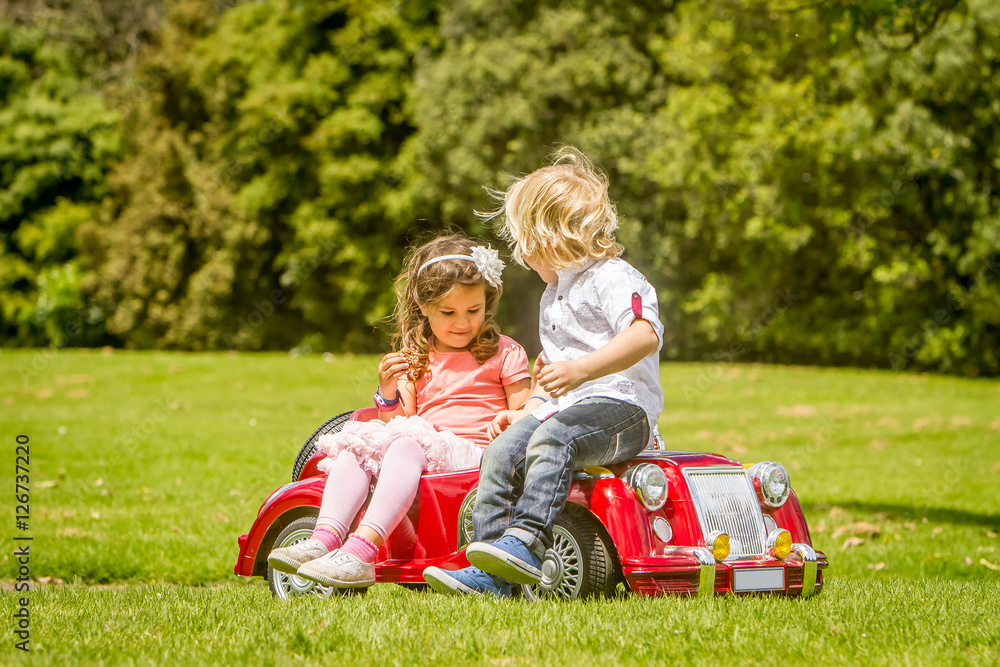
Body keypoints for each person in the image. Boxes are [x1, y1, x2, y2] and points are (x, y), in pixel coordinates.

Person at [423, 148, 663, 596]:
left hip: (623, 410)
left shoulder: (614, 277)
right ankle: (492, 569)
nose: (521, 255)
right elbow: (552, 373)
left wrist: (582, 369)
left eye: (523, 243)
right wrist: (530, 407)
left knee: (556, 439)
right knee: (498, 453)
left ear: (549, 237)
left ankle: (525, 542)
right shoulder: (553, 294)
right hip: (564, 409)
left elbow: (643, 336)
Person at [268, 233, 531, 588]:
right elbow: (399, 424)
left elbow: (524, 412)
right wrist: (389, 393)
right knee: (361, 444)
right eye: (448, 313)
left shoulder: (504, 351)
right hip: (422, 454)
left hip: (476, 457)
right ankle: (324, 537)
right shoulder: (417, 356)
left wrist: (511, 423)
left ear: (488, 303)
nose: (463, 323)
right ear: (423, 307)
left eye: (474, 310)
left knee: (406, 444)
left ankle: (362, 550)